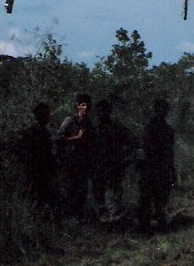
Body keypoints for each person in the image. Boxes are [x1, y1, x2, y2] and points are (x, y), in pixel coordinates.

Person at [137, 98, 176, 234]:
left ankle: (159, 224)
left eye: (165, 109)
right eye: (160, 108)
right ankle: (145, 226)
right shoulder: (149, 127)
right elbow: (145, 149)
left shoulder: (168, 129)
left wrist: (172, 169)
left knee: (161, 199)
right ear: (156, 109)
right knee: (147, 199)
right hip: (150, 167)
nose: (163, 112)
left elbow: (170, 152)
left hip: (161, 167)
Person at [93, 98, 135, 223]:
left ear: (109, 111)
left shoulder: (117, 127)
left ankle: (116, 224)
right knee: (100, 198)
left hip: (114, 167)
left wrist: (125, 158)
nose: (101, 114)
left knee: (112, 197)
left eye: (104, 111)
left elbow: (133, 141)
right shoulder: (96, 130)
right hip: (99, 168)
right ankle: (107, 224)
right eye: (99, 111)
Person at [56, 93, 94, 221]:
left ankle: (78, 217)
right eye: (83, 104)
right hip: (70, 161)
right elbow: (59, 139)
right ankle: (68, 218)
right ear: (77, 106)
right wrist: (75, 138)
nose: (86, 107)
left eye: (87, 105)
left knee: (81, 191)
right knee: (69, 189)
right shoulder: (70, 120)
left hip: (83, 162)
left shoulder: (89, 123)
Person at [14, 102, 56, 216]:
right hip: (36, 170)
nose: (47, 116)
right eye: (45, 114)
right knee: (38, 198)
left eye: (47, 114)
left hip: (37, 170)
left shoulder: (36, 131)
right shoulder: (35, 132)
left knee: (37, 198)